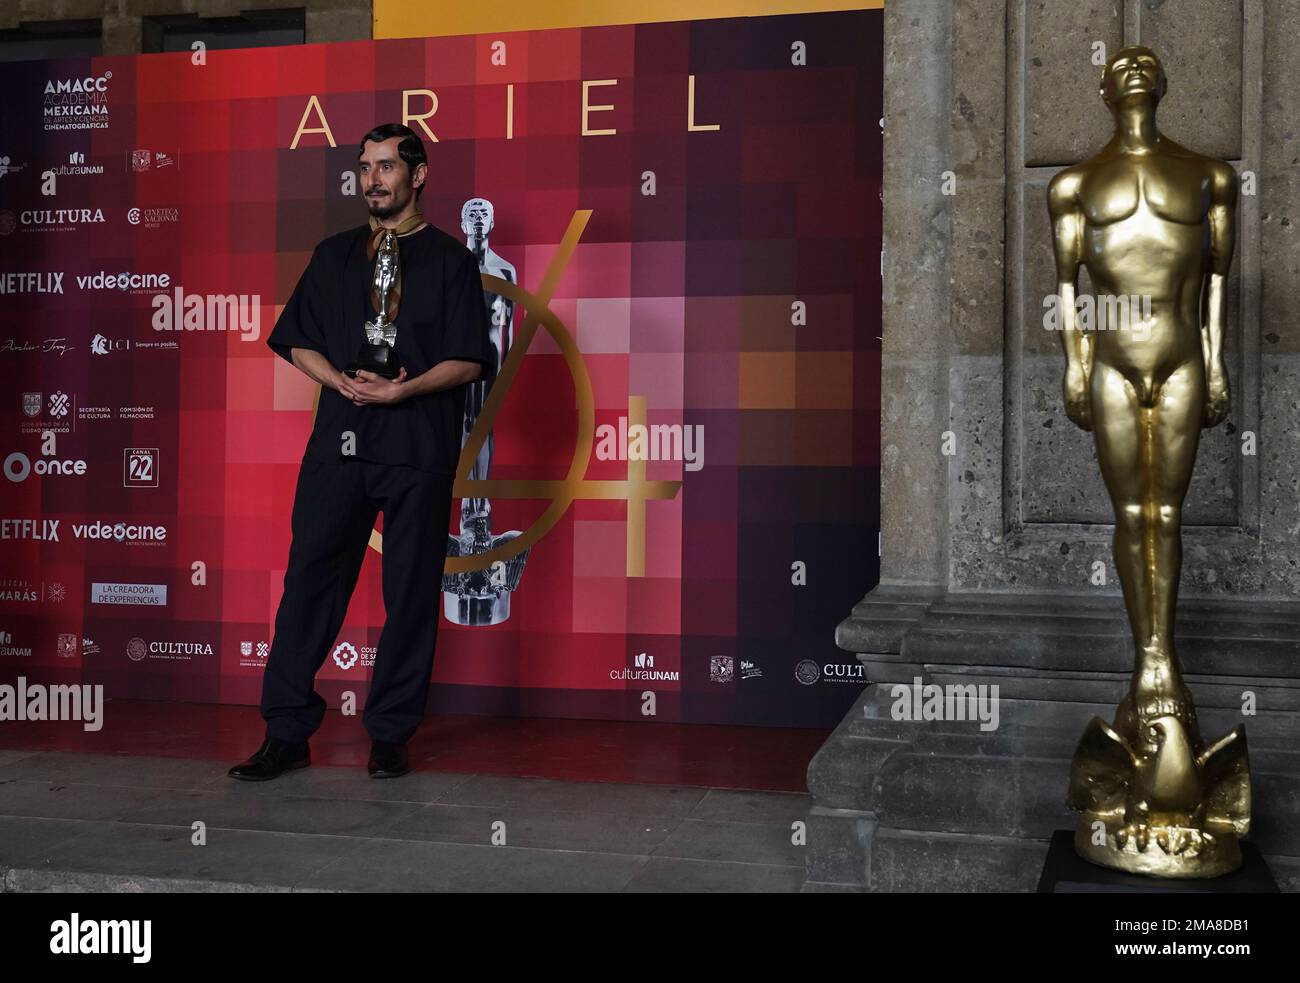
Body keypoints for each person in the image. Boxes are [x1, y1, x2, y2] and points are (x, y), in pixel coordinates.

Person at [229, 123, 496, 781]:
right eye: (364, 167)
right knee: (310, 587)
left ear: (418, 174)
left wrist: (403, 391)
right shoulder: (333, 255)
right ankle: (286, 732)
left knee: (409, 596)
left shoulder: (453, 262)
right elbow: (296, 340)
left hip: (417, 449)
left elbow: (469, 360)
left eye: (385, 166)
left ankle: (390, 735)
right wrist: (339, 381)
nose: (371, 178)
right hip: (339, 448)